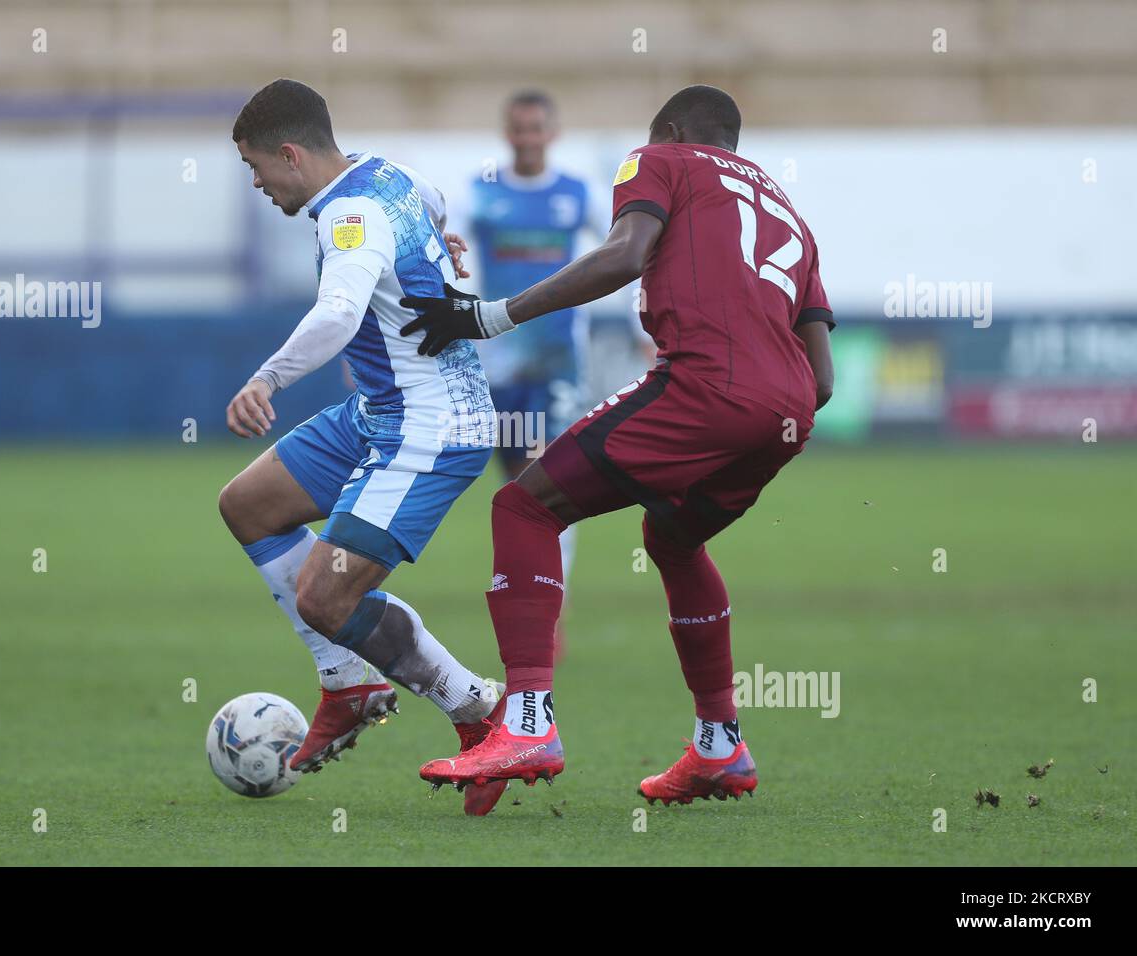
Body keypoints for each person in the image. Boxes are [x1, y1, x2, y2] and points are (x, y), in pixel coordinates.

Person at [401, 85, 836, 806]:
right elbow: (822, 378)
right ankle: (720, 745)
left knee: (524, 508)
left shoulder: (661, 157)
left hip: (705, 388)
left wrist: (491, 317)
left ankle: (529, 721)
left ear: (670, 130)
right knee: (673, 540)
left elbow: (625, 254)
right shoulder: (787, 209)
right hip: (786, 410)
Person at [217, 78, 507, 815]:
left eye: (256, 167)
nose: (256, 184)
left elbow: (339, 312)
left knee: (324, 593)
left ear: (289, 154)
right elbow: (433, 209)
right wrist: (438, 246)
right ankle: (347, 680)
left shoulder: (347, 214)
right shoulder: (390, 174)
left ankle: (478, 708)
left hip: (430, 427)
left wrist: (267, 378)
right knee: (248, 505)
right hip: (380, 411)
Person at [466, 92, 609, 660]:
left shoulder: (578, 196)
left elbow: (634, 249)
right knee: (514, 493)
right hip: (497, 369)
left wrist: (647, 323)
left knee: (546, 488)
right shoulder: (478, 194)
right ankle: (528, 598)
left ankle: (551, 613)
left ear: (552, 132)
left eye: (536, 129)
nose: (527, 138)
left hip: (557, 367)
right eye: (518, 129)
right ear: (507, 131)